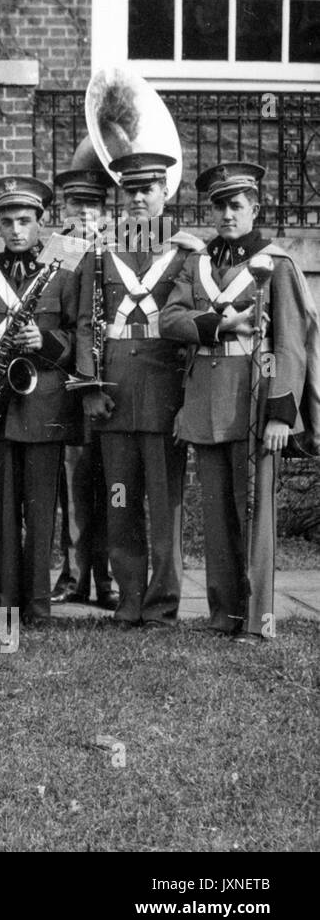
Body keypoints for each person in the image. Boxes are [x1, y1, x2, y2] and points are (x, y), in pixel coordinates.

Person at [160, 162, 312, 639]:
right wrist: (221, 324)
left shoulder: (277, 264)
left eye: (236, 205)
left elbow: (290, 344)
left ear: (254, 209)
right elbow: (170, 321)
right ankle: (223, 613)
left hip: (256, 401)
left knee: (257, 519)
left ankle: (259, 619)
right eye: (219, 206)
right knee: (218, 515)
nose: (227, 214)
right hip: (206, 401)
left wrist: (281, 414)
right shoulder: (197, 262)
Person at [76, 151, 202, 627]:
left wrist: (187, 402)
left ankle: (163, 603)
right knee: (120, 498)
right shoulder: (99, 251)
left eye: (147, 189)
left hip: (165, 390)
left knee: (165, 504)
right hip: (115, 393)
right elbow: (86, 325)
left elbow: (192, 330)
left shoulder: (188, 252)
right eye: (129, 190)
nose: (136, 198)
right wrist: (89, 386)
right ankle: (129, 598)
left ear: (165, 193)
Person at [0, 177, 80, 623]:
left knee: (41, 508)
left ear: (40, 223)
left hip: (43, 403)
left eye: (25, 221)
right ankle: (5, 599)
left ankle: (38, 604)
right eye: (7, 221)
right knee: (2, 507)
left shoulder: (64, 264)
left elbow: (80, 333)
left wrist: (45, 341)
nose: (15, 230)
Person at [49, 165, 116, 609]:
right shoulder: (56, 250)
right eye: (77, 205)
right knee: (73, 482)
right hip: (69, 379)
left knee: (112, 481)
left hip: (114, 379)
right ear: (64, 208)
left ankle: (107, 579)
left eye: (92, 205)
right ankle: (73, 577)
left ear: (105, 210)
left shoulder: (123, 247)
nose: (85, 213)